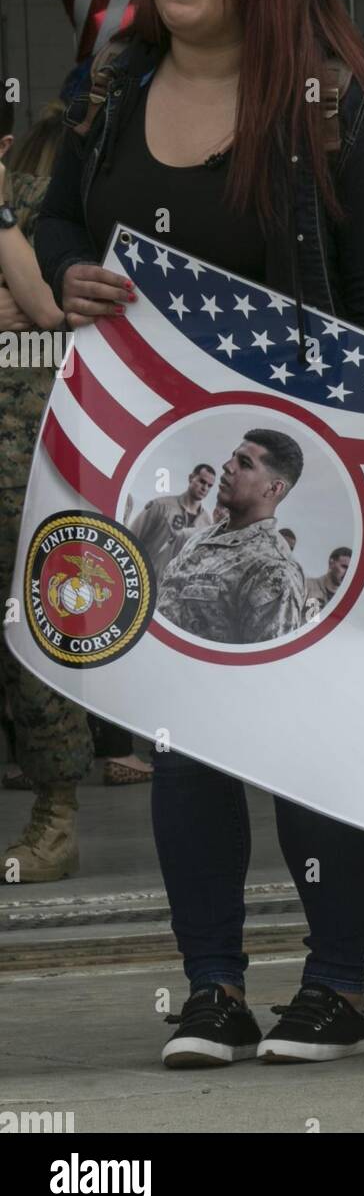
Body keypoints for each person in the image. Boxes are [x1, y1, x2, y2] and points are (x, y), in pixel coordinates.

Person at [35, 0, 364, 1068]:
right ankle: (211, 988)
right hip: (157, 488)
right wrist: (64, 271)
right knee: (185, 728)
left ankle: (338, 989)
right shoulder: (113, 86)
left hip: (304, 472)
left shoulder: (336, 99)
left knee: (306, 733)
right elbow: (54, 216)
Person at [0, 99, 95, 877]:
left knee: (39, 625)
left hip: (29, 444)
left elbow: (44, 307)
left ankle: (56, 817)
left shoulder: (59, 191)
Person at [158, 433, 303, 644]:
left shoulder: (274, 569)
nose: (227, 466)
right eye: (232, 457)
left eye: (244, 463)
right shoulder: (201, 538)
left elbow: (261, 668)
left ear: (274, 488)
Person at [130, 462, 216, 583]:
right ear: (191, 478)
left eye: (209, 485)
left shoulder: (207, 523)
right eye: (202, 481)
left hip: (172, 594)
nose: (205, 488)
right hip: (144, 581)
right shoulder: (160, 506)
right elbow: (130, 538)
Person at [303, 545, 351, 622]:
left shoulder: (346, 600)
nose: (347, 573)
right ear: (331, 563)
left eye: (351, 569)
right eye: (344, 566)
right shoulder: (306, 586)